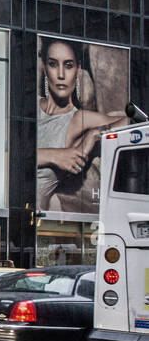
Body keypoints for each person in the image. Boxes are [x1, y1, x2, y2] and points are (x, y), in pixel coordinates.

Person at [36, 37, 123, 212]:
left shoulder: (78, 118)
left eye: (68, 65)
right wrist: (54, 155)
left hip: (35, 222)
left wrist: (94, 133)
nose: (61, 74)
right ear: (45, 67)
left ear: (78, 69)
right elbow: (2, 155)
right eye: (53, 64)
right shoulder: (28, 109)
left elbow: (132, 121)